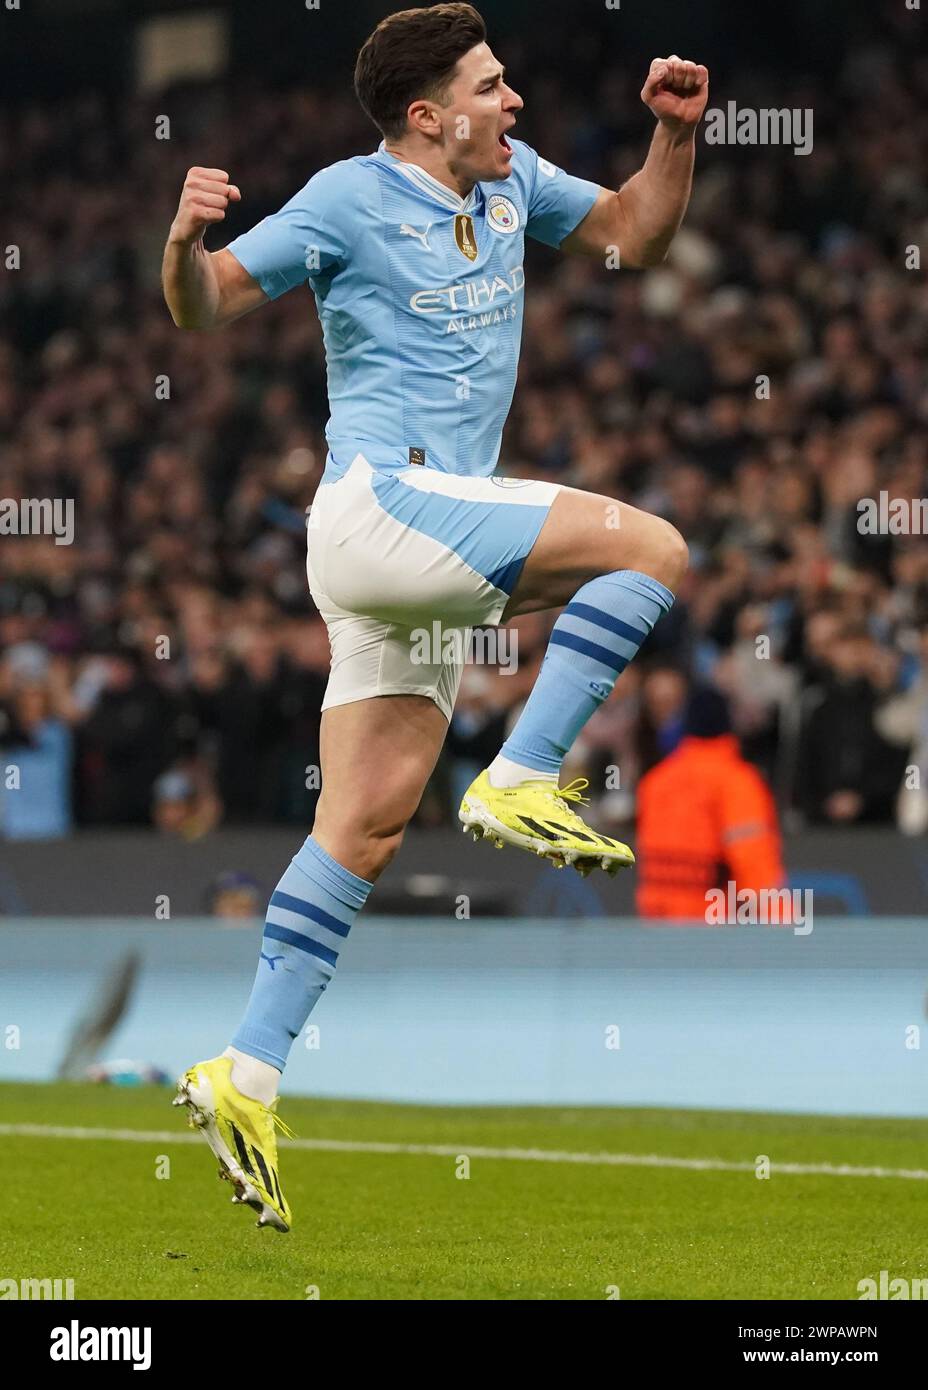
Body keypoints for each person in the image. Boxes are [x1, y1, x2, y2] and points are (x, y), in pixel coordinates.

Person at [163, 3, 703, 1231]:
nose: (514, 102)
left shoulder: (515, 184)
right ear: (428, 115)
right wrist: (183, 244)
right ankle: (523, 772)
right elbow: (204, 308)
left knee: (361, 826)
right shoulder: (344, 198)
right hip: (385, 504)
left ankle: (243, 1073)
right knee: (655, 549)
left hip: (399, 545)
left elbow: (632, 233)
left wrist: (674, 137)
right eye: (492, 84)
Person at [635, 688, 789, 920]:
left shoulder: (655, 782)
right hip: (711, 931)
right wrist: (784, 928)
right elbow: (754, 862)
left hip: (658, 925)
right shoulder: (737, 781)